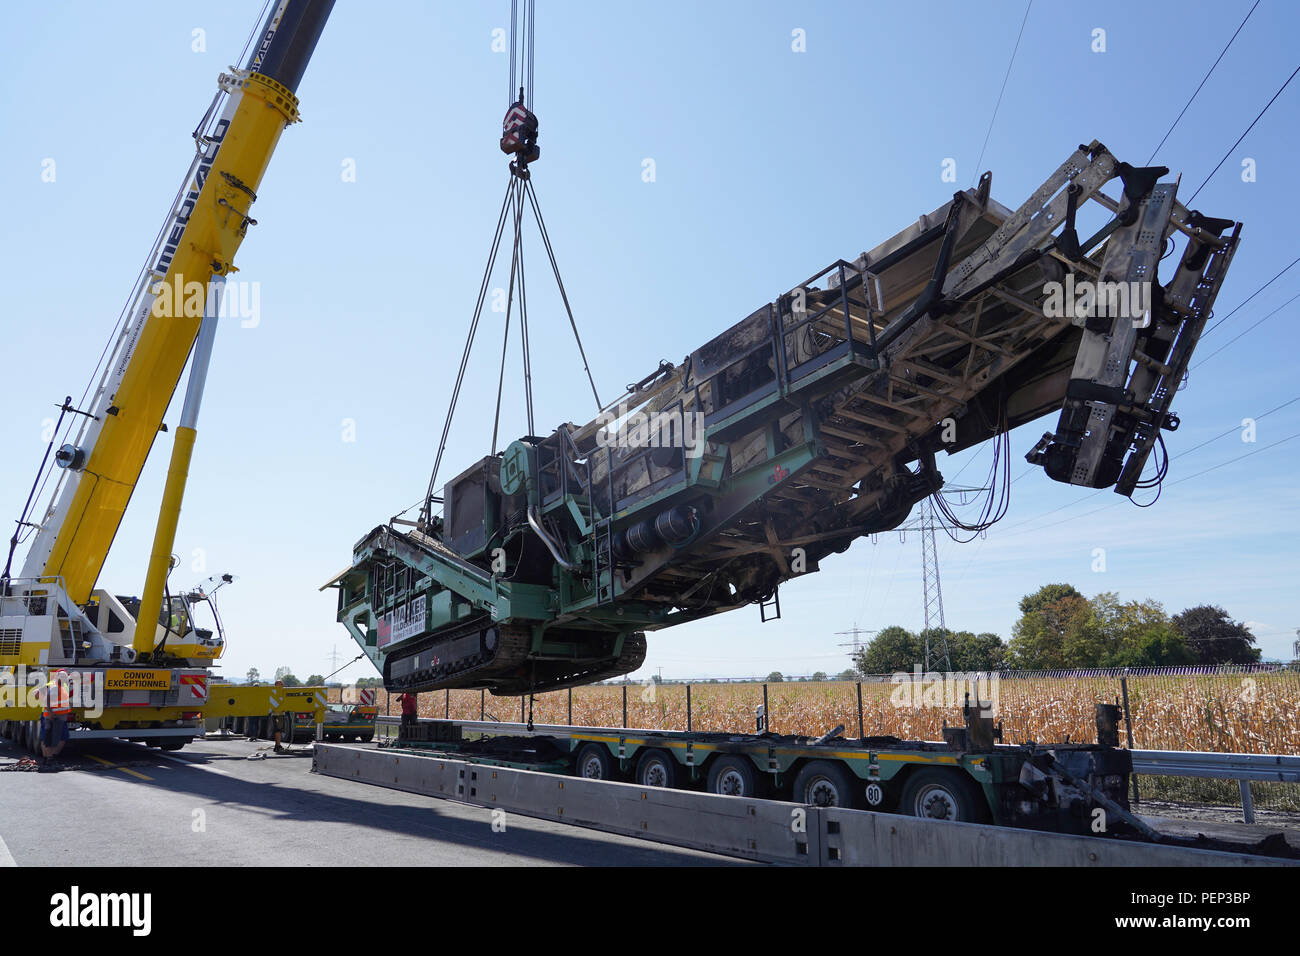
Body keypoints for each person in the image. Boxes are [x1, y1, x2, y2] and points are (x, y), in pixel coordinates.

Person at [39, 669, 73, 770]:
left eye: (65, 676)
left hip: (57, 716)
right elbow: (38, 693)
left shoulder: (64, 686)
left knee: (60, 737)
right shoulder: (53, 684)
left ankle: (49, 758)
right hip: (50, 716)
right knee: (49, 737)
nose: (63, 678)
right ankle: (50, 758)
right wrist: (50, 712)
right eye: (61, 676)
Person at [269, 679, 287, 754]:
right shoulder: (273, 692)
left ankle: (277, 745)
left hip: (281, 714)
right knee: (277, 730)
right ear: (276, 685)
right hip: (276, 714)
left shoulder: (283, 692)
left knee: (279, 730)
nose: (281, 685)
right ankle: (278, 745)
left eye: (281, 684)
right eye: (279, 684)